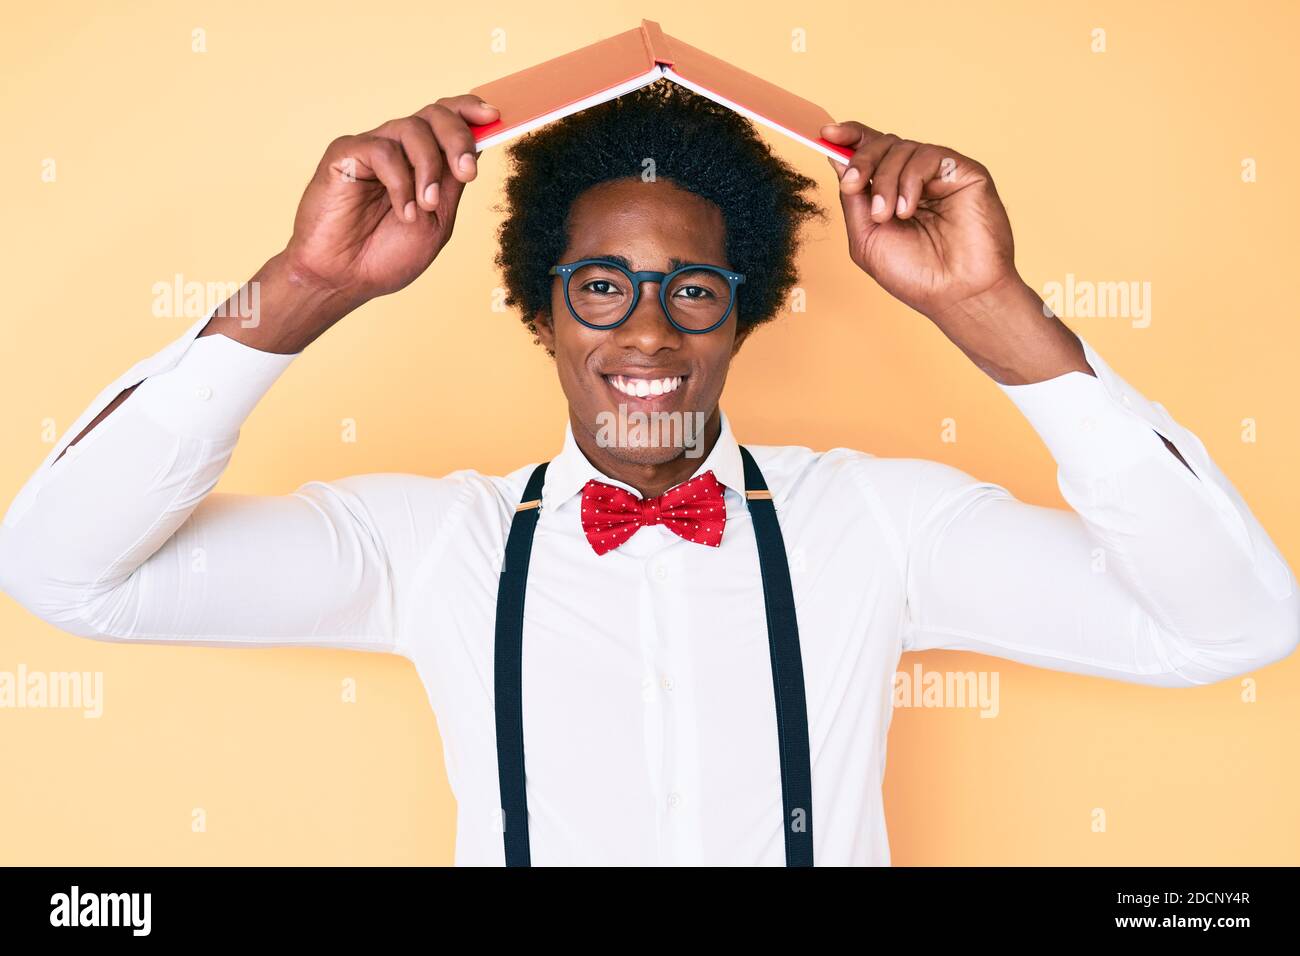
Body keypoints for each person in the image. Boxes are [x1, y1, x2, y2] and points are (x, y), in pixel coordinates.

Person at [1, 82, 1295, 866]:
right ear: (544, 309)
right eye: (602, 288)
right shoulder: (430, 549)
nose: (646, 333)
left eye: (693, 292)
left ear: (746, 314)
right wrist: (306, 288)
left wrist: (995, 311)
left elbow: (1232, 623)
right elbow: (63, 571)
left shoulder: (878, 526)